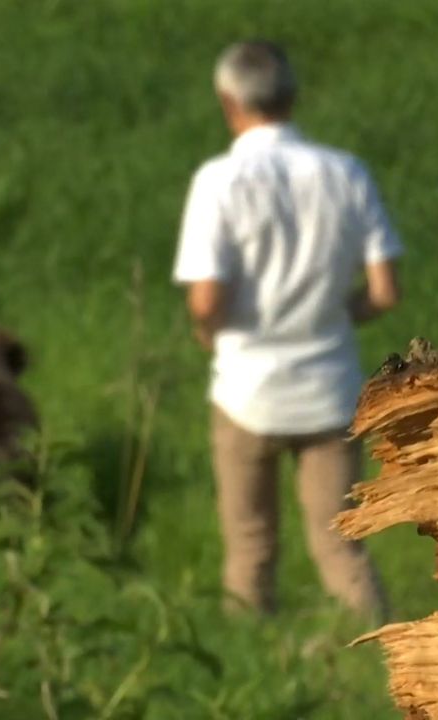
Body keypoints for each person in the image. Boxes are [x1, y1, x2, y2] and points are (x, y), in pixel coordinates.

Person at [172, 40, 402, 625]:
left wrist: (207, 330)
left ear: (229, 103)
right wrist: (333, 316)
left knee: (250, 549)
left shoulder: (219, 182)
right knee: (341, 549)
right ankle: (382, 660)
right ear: (292, 97)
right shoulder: (346, 173)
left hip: (246, 391)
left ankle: (249, 662)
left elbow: (206, 299)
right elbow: (384, 292)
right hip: (330, 390)